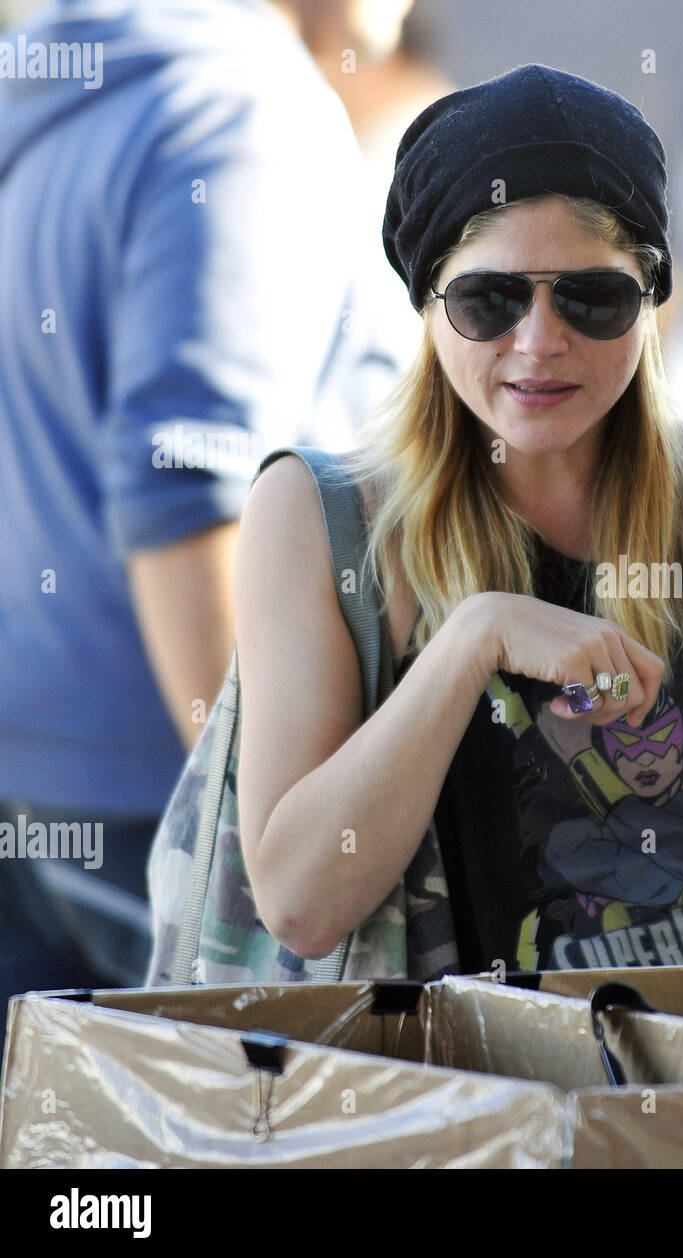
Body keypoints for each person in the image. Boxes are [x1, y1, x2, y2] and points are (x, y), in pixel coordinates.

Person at [229, 64, 683, 977]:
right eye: (489, 300)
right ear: (427, 304)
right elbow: (302, 907)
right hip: (490, 1102)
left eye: (592, 298)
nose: (540, 342)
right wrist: (472, 639)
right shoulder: (325, 518)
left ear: (652, 302)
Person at [0, 0, 400, 1043]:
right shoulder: (240, 109)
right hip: (159, 811)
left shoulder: (61, 90)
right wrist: (254, 839)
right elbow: (188, 491)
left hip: (38, 783)